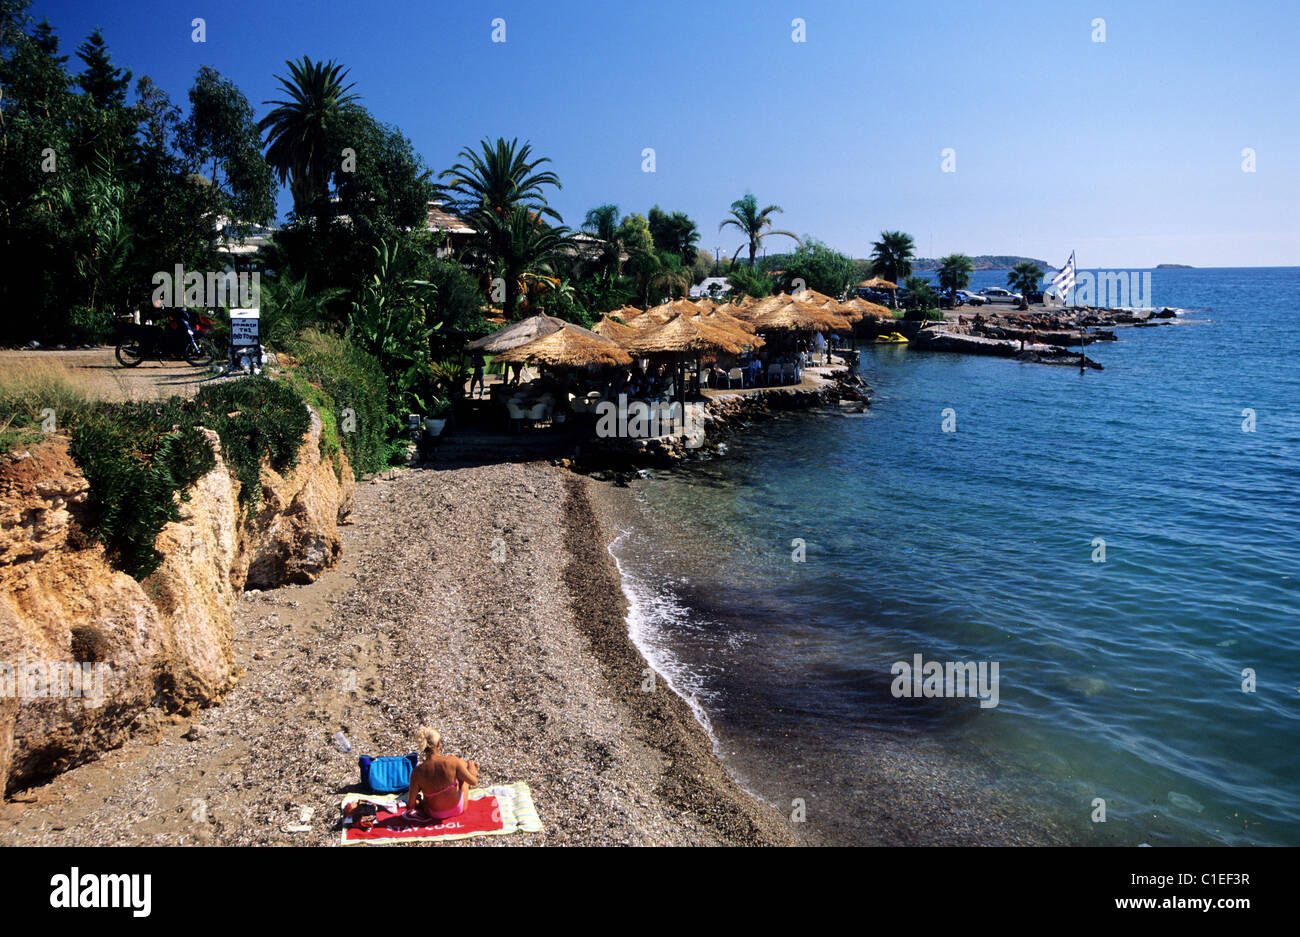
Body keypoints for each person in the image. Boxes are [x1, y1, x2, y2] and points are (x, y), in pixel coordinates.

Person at [405, 727, 479, 822]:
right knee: (466, 770)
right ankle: (469, 772)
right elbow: (474, 782)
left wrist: (417, 801)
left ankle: (464, 773)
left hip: (432, 813)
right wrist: (472, 773)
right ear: (439, 743)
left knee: (459, 770)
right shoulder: (452, 762)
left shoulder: (417, 772)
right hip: (457, 809)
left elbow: (410, 805)